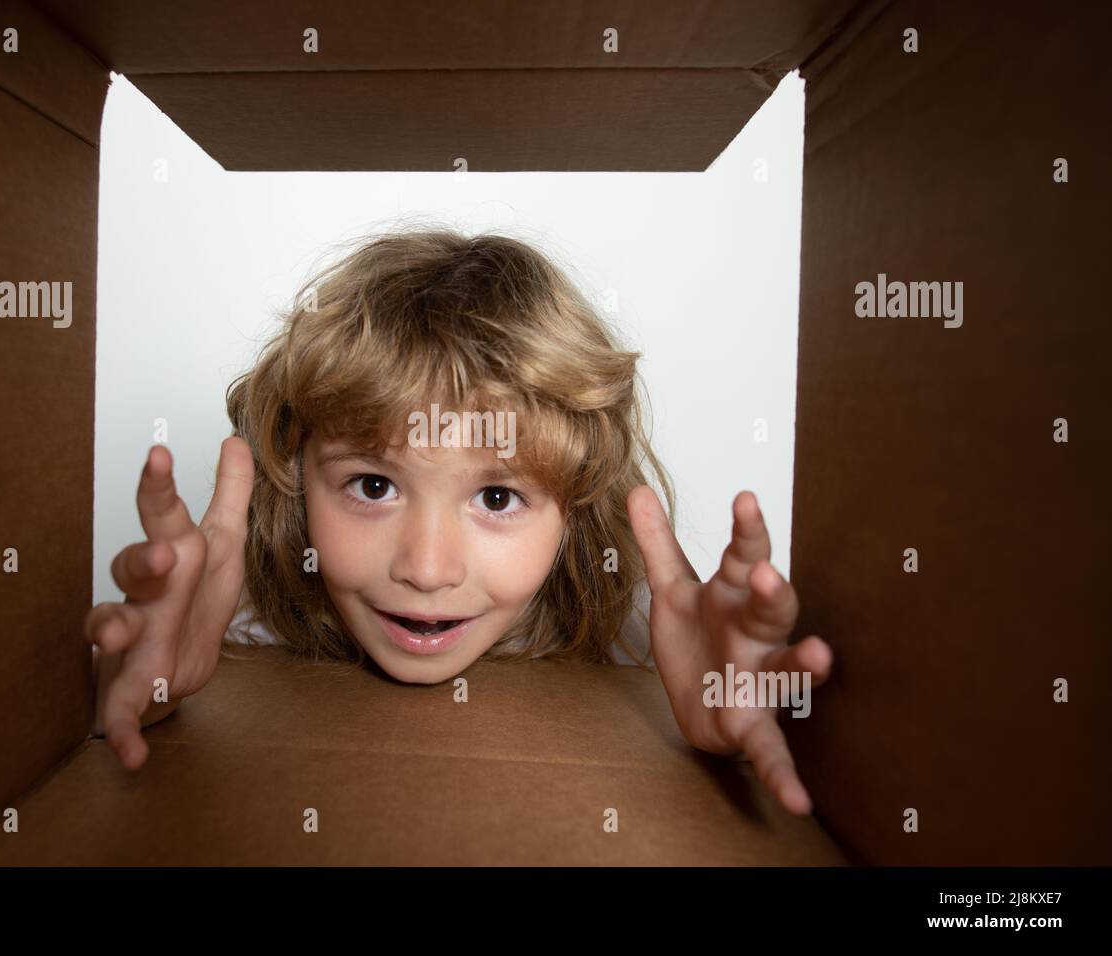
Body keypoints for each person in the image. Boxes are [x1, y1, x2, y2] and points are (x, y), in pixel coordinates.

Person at [85, 227, 833, 815]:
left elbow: (747, 712)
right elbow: (104, 713)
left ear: (574, 511)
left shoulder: (630, 619)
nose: (428, 568)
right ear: (297, 475)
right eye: (373, 485)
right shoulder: (247, 610)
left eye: (498, 499)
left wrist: (734, 724)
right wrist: (141, 687)